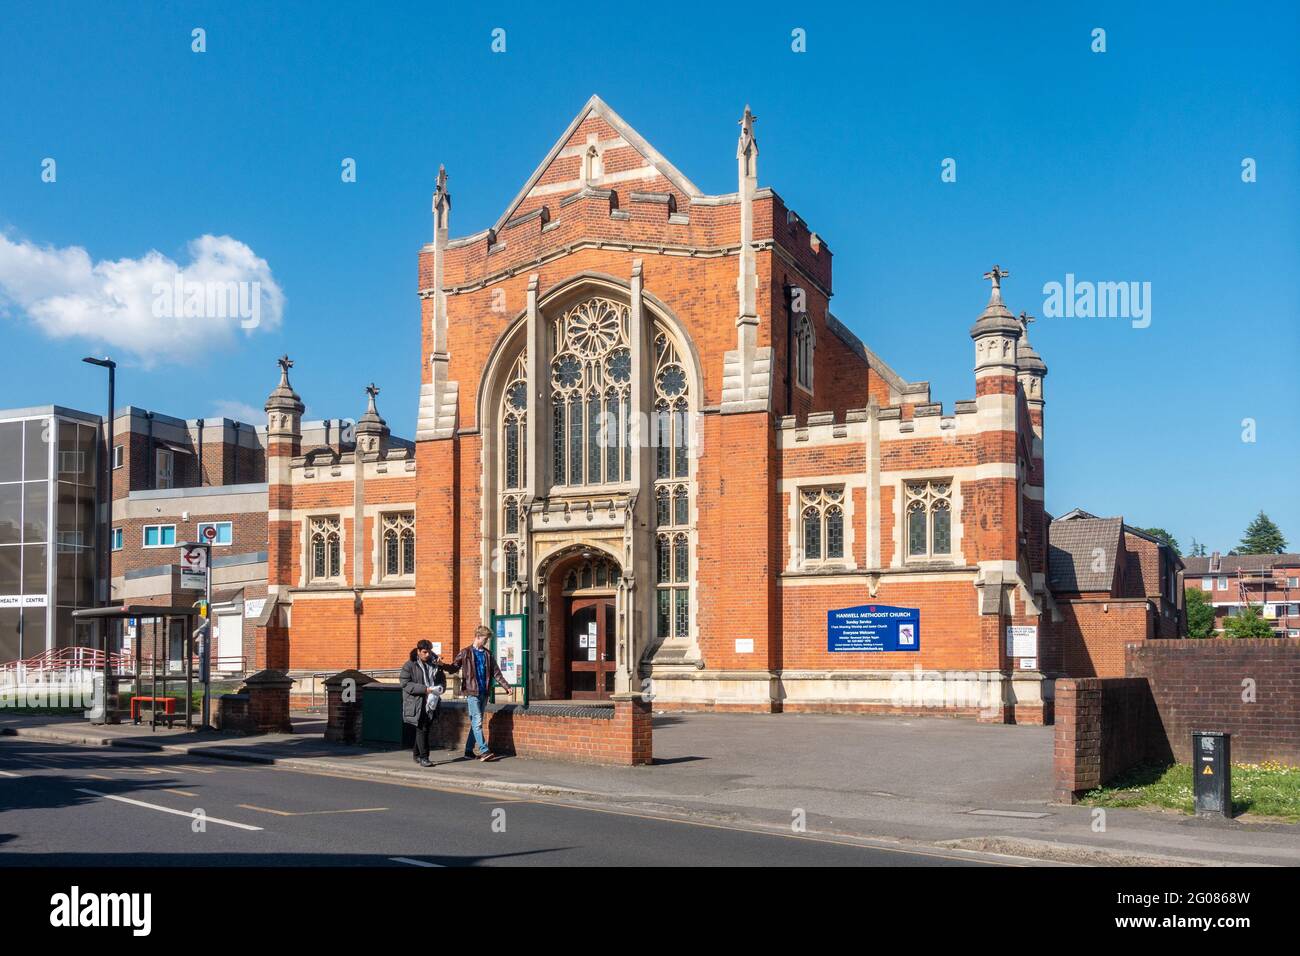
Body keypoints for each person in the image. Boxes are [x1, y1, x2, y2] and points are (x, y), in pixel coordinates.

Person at [444, 625, 513, 761]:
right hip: (472, 692)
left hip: (484, 692)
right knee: (477, 721)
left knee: (475, 722)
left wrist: (506, 686)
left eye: (487, 639)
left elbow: (496, 672)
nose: (486, 642)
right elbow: (453, 668)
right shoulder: (465, 652)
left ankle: (468, 751)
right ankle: (484, 750)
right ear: (478, 637)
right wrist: (441, 665)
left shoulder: (487, 654)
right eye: (485, 639)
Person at [399, 640, 446, 767]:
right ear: (418, 651)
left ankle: (416, 755)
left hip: (431, 701)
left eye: (429, 652)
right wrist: (425, 689)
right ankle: (424, 757)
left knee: (424, 729)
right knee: (422, 728)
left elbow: (441, 681)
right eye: (424, 652)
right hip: (417, 702)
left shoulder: (434, 664)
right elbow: (405, 684)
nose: (427, 655)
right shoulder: (409, 665)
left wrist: (440, 687)